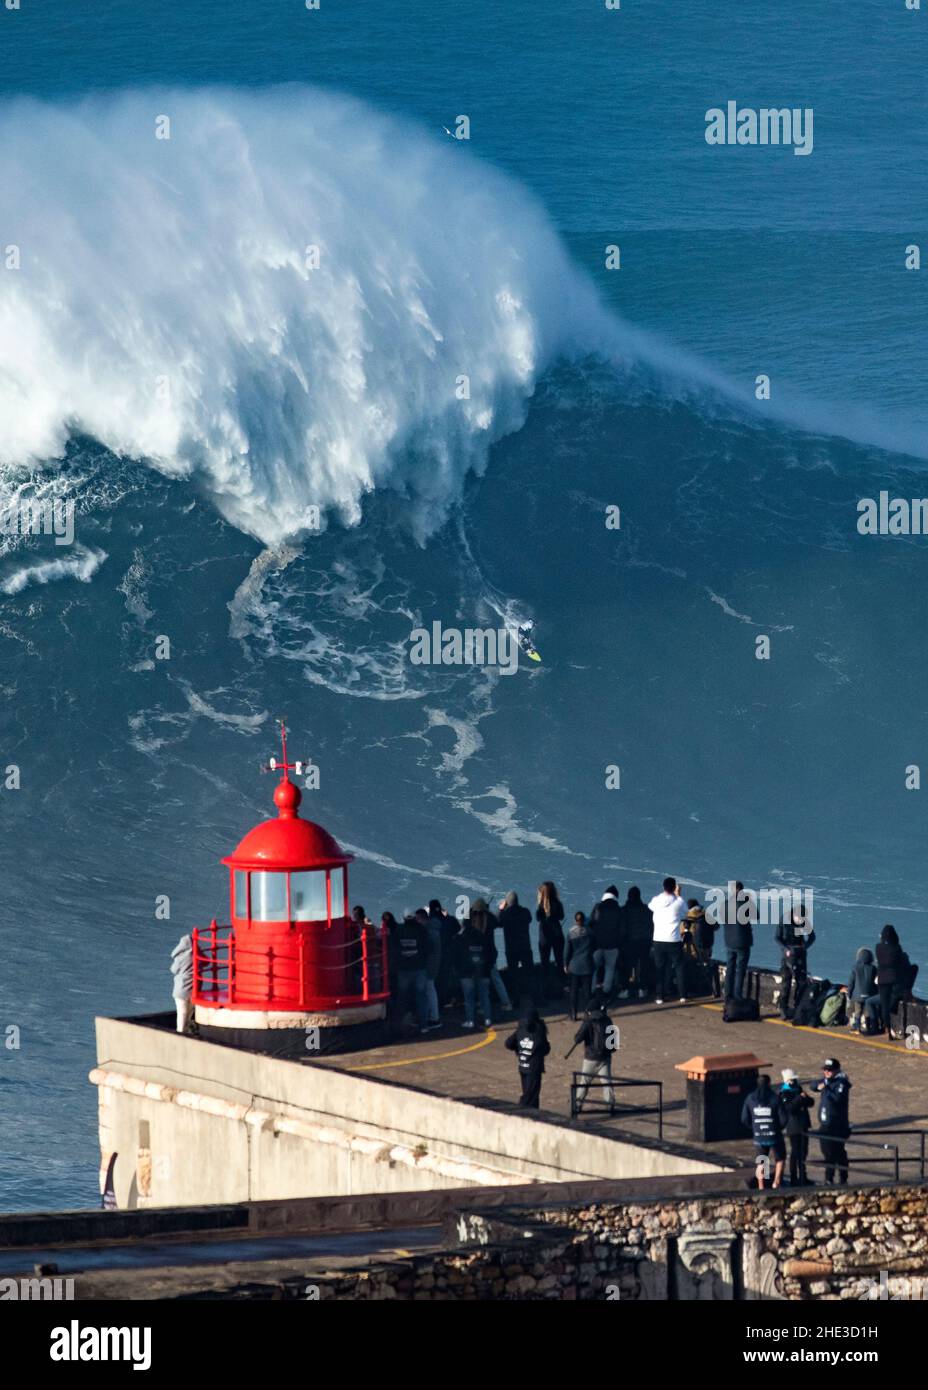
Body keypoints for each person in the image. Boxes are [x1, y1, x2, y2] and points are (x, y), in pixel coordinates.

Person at [572, 991, 615, 1112]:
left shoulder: (588, 1022)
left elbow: (577, 1038)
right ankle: (610, 1104)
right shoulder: (607, 1020)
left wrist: (584, 1024)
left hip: (590, 1057)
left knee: (584, 1082)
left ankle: (577, 1104)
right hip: (605, 1057)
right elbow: (613, 1040)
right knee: (607, 1082)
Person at [648, 877, 688, 1004]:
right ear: (674, 887)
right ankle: (682, 995)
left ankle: (659, 996)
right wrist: (678, 895)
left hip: (658, 939)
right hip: (674, 939)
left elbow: (651, 907)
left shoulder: (656, 900)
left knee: (660, 967)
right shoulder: (679, 901)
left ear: (663, 886)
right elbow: (685, 913)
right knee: (679, 967)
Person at [455, 908, 497, 1029]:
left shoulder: (460, 938)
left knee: (469, 998)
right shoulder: (482, 936)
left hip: (466, 973)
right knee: (484, 996)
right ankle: (488, 1019)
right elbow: (492, 953)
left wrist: (459, 970)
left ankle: (470, 1021)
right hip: (482, 971)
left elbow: (456, 956)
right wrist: (487, 968)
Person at [741, 1074, 786, 1189]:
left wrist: (754, 1127)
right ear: (769, 1084)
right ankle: (776, 1183)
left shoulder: (750, 1098)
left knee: (762, 1160)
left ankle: (762, 1185)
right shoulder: (775, 1098)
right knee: (780, 1158)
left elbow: (744, 1119)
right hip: (774, 1135)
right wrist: (778, 1127)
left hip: (759, 1136)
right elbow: (783, 1118)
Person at [813, 1057, 851, 1185]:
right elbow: (813, 1085)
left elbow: (836, 1099)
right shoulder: (827, 1080)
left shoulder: (841, 1083)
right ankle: (830, 1178)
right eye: (825, 1070)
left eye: (830, 1070)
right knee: (827, 1152)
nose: (827, 1072)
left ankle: (840, 1177)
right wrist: (821, 1085)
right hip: (825, 1124)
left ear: (836, 1070)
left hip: (837, 1125)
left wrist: (827, 1087)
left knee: (838, 1152)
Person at [505, 1001, 550, 1108]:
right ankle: (522, 1110)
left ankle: (532, 1113)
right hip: (534, 1068)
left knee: (529, 1092)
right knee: (531, 1095)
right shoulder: (539, 1032)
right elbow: (546, 1049)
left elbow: (508, 1043)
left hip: (523, 1066)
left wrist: (519, 1050)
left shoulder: (520, 1030)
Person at [775, 905, 815, 1019]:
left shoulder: (804, 921)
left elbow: (812, 937)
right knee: (786, 983)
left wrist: (805, 947)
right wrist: (785, 949)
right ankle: (783, 1008)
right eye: (799, 918)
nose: (800, 921)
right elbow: (777, 938)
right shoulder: (784, 920)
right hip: (787, 955)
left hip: (800, 955)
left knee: (801, 982)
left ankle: (798, 1007)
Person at [472, 898, 512, 1011]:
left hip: (477, 956)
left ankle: (482, 1004)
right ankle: (506, 1002)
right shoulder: (490, 918)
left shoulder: (471, 920)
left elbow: (463, 926)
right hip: (490, 954)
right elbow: (499, 922)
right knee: (496, 979)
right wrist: (500, 910)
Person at [717, 880, 754, 1002]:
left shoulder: (724, 904)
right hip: (742, 941)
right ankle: (738, 996)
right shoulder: (745, 904)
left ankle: (727, 996)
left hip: (729, 940)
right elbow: (756, 915)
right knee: (740, 970)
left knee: (730, 968)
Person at [393, 913, 430, 1033]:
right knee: (421, 997)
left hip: (404, 969)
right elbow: (429, 948)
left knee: (402, 997)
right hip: (419, 968)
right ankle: (423, 1025)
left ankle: (400, 1025)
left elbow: (394, 948)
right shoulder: (422, 930)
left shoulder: (399, 930)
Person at [778, 1068, 814, 1186]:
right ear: (788, 1081)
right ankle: (794, 1178)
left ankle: (803, 1177)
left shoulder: (798, 1089)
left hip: (803, 1124)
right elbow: (789, 1108)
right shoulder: (784, 1093)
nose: (795, 1081)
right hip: (793, 1126)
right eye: (793, 1079)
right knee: (795, 1152)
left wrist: (805, 1098)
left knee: (804, 1152)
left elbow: (811, 1103)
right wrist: (799, 1098)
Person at [589, 886, 623, 1001]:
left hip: (597, 944)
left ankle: (591, 990)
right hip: (612, 945)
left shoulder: (597, 907)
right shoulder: (618, 909)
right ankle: (606, 990)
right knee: (610, 968)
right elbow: (622, 929)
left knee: (594, 968)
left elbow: (590, 924)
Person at [499, 891, 534, 999]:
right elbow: (530, 919)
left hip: (511, 949)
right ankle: (534, 996)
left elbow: (497, 922)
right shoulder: (525, 912)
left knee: (512, 975)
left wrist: (501, 909)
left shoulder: (505, 914)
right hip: (525, 947)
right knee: (529, 973)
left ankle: (515, 998)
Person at [536, 881, 566, 999]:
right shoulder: (558, 903)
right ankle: (561, 989)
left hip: (544, 938)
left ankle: (546, 990)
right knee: (559, 962)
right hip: (557, 935)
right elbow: (561, 916)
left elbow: (539, 918)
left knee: (545, 964)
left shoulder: (541, 906)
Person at [430, 899, 461, 1010]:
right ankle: (455, 999)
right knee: (451, 977)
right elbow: (458, 928)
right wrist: (447, 916)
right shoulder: (449, 920)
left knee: (437, 980)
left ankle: (440, 1003)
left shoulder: (431, 922)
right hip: (450, 954)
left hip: (435, 956)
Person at [622, 886, 653, 998]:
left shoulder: (624, 910)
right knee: (643, 966)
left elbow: (622, 927)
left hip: (629, 942)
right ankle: (642, 989)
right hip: (644, 941)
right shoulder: (647, 910)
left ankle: (625, 990)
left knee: (627, 966)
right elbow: (651, 926)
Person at [685, 898, 720, 997]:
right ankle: (709, 990)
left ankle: (693, 989)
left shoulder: (688, 916)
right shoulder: (706, 915)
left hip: (692, 948)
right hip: (707, 946)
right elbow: (717, 926)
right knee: (706, 966)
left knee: (691, 967)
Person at [876, 924, 904, 1040]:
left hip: (882, 978)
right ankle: (891, 1023)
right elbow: (900, 962)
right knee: (895, 997)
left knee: (884, 1003)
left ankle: (886, 1028)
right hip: (894, 978)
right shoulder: (897, 948)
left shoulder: (878, 947)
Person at [564, 910, 594, 1020]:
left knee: (574, 991)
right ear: (584, 920)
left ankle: (573, 1013)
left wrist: (565, 964)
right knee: (587, 991)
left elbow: (567, 951)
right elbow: (594, 946)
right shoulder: (590, 932)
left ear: (575, 921)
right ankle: (587, 1012)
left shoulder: (570, 933)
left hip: (574, 966)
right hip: (587, 964)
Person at [417, 906, 442, 1031]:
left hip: (428, 966)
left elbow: (428, 950)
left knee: (429, 991)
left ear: (421, 919)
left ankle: (433, 1017)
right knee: (430, 991)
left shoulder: (428, 932)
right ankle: (432, 1016)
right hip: (434, 965)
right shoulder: (435, 929)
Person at [845, 946, 878, 1032]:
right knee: (867, 1012)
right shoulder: (873, 968)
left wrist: (849, 993)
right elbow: (876, 983)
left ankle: (857, 1028)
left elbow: (851, 982)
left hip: (857, 995)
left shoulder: (855, 968)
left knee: (857, 1011)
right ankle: (868, 1027)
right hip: (869, 995)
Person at [171, 933, 194, 1034]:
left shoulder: (180, 958)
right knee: (189, 1012)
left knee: (181, 1012)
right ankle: (188, 1030)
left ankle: (180, 1033)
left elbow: (173, 970)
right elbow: (206, 963)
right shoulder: (196, 956)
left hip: (181, 989)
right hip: (193, 989)